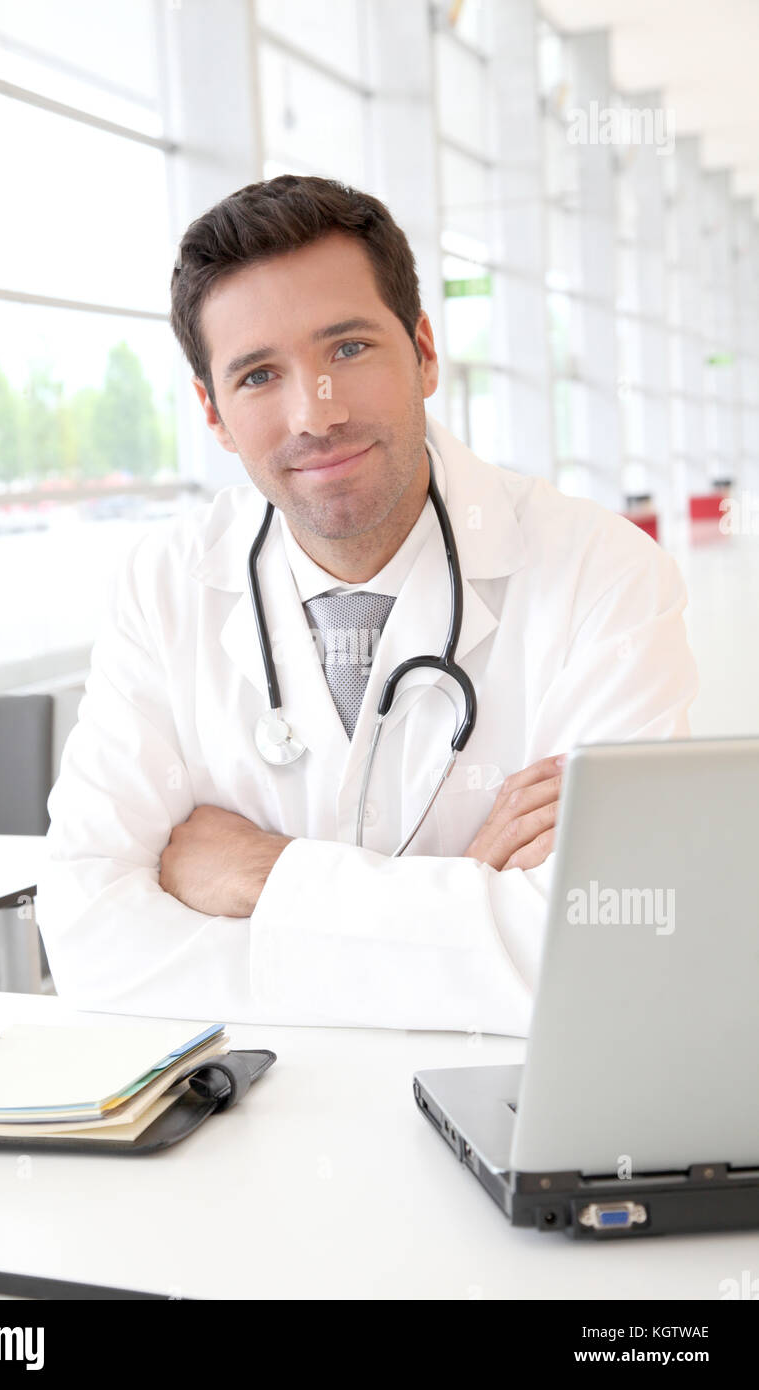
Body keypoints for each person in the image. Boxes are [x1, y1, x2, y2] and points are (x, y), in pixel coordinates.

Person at [36, 175, 699, 1035]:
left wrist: (269, 879)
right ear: (214, 414)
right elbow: (89, 936)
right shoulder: (164, 588)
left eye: (347, 349)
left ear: (424, 352)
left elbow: (611, 952)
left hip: (504, 1121)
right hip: (245, 1130)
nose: (315, 414)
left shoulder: (604, 575)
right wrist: (463, 904)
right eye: (259, 375)